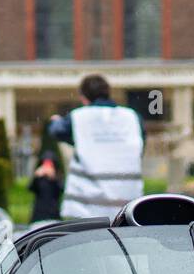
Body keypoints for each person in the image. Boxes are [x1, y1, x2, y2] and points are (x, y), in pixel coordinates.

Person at [49, 74, 145, 218]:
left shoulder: (79, 117)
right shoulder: (132, 117)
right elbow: (140, 148)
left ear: (83, 97)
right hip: (127, 201)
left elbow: (57, 131)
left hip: (87, 206)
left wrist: (55, 121)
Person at [28, 154, 63, 222]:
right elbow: (31, 189)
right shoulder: (39, 176)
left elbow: (60, 191)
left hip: (53, 209)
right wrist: (36, 177)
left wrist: (53, 178)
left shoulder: (57, 175)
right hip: (39, 209)